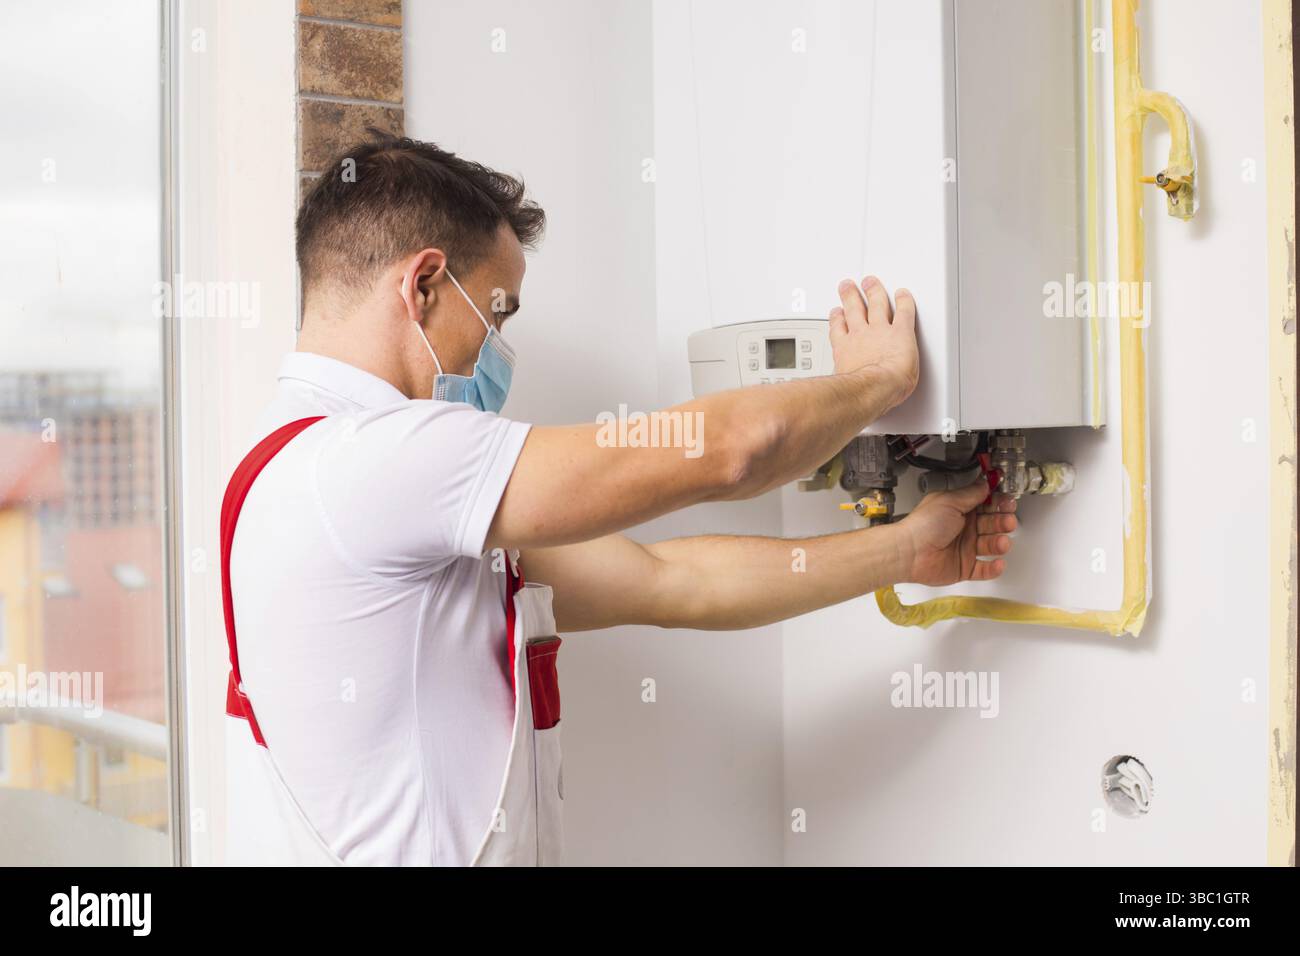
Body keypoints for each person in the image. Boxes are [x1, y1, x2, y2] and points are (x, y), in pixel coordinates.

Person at [222, 133, 1017, 866]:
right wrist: (881, 378)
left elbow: (671, 582)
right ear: (423, 284)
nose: (500, 352)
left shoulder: (301, 472)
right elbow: (731, 452)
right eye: (497, 313)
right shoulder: (376, 459)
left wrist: (908, 548)